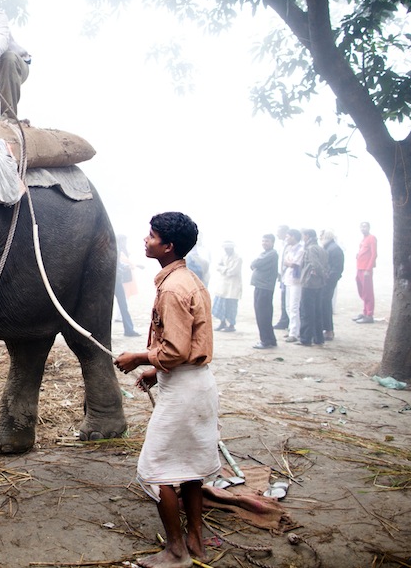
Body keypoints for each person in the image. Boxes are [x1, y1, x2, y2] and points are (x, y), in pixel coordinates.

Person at [114, 212, 220, 568]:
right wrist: (156, 374)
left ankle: (176, 551)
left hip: (184, 392)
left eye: (152, 235)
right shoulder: (189, 280)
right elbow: (188, 346)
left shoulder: (173, 288)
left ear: (168, 246)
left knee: (155, 469)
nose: (146, 240)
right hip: (196, 383)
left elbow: (174, 350)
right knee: (189, 468)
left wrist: (139, 358)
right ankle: (196, 542)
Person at [298, 229, 328, 346]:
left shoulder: (311, 249)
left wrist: (321, 274)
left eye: (303, 235)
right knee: (317, 311)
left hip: (309, 283)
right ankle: (318, 338)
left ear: (307, 236)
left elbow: (315, 264)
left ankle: (306, 339)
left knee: (307, 312)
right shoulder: (321, 248)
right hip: (318, 284)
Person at [250, 234, 279, 349]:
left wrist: (254, 264)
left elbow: (255, 263)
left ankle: (265, 340)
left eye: (267, 241)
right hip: (261, 286)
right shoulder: (266, 253)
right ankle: (271, 339)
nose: (264, 243)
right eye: (263, 241)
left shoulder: (272, 254)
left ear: (272, 242)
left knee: (263, 315)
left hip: (264, 287)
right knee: (264, 314)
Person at [212, 241, 242, 332]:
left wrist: (223, 269)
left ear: (231, 248)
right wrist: (225, 269)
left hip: (233, 286)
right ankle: (222, 322)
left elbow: (232, 271)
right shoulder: (223, 256)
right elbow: (217, 266)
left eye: (227, 248)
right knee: (221, 305)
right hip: (223, 285)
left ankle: (231, 325)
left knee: (231, 306)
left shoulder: (238, 258)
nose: (226, 250)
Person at [320, 229, 344, 340]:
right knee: (325, 304)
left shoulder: (333, 249)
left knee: (325, 304)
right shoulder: (332, 248)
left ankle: (329, 330)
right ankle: (327, 329)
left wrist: (327, 279)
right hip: (328, 280)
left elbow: (336, 269)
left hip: (328, 281)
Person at [281, 229, 304, 343]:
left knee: (294, 307)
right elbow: (286, 262)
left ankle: (294, 333)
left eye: (288, 236)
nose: (286, 239)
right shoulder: (290, 249)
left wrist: (289, 263)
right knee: (288, 307)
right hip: (288, 279)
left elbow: (294, 264)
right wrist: (289, 263)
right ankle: (293, 329)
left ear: (294, 237)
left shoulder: (300, 249)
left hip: (296, 281)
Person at [115, 235, 140, 337]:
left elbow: (118, 265)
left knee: (123, 305)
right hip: (114, 281)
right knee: (122, 306)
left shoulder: (118, 249)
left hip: (117, 281)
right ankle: (129, 330)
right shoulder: (115, 248)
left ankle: (129, 330)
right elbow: (116, 266)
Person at [354, 221, 377, 323]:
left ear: (369, 227)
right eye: (361, 227)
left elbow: (374, 254)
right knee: (362, 290)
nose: (363, 229)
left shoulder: (371, 238)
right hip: (359, 267)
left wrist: (368, 269)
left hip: (366, 269)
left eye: (365, 227)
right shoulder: (363, 240)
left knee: (368, 292)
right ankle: (365, 311)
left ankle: (369, 314)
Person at [272, 225, 291, 330]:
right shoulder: (282, 244)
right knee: (284, 300)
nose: (277, 234)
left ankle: (286, 321)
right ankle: (284, 320)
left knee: (289, 301)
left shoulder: (289, 245)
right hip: (282, 276)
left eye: (278, 232)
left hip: (288, 277)